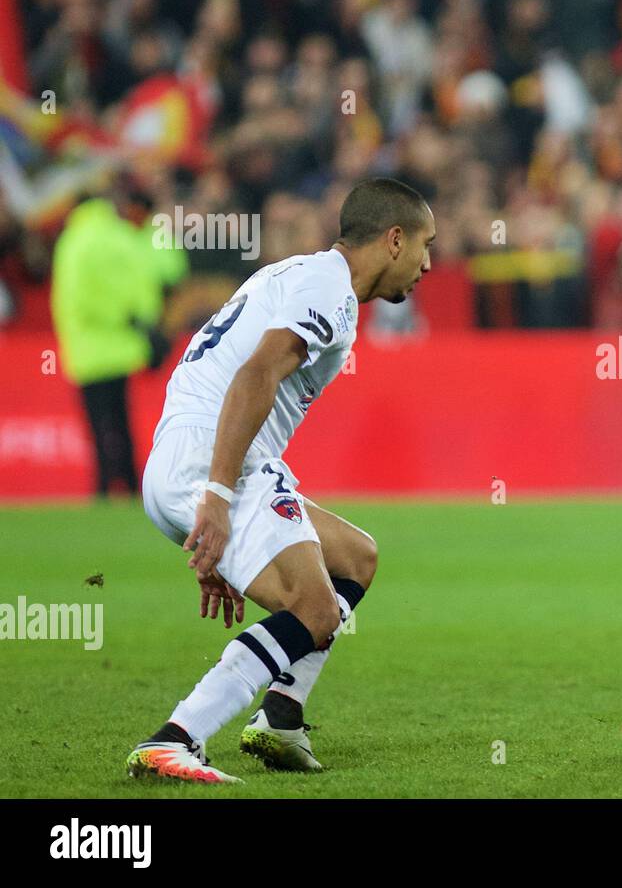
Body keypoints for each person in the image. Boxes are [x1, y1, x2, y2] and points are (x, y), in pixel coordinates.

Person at [126, 178, 433, 783]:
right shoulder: (328, 289)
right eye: (425, 245)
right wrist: (213, 494)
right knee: (315, 609)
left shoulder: (299, 273)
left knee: (355, 560)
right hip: (219, 462)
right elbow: (255, 372)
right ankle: (175, 737)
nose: (428, 264)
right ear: (394, 240)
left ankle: (281, 717)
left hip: (189, 456)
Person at [50, 179, 187, 495]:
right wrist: (140, 320)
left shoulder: (74, 240)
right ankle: (131, 482)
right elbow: (148, 279)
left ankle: (103, 486)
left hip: (87, 346)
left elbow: (74, 297)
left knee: (98, 424)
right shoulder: (120, 235)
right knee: (122, 421)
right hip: (123, 342)